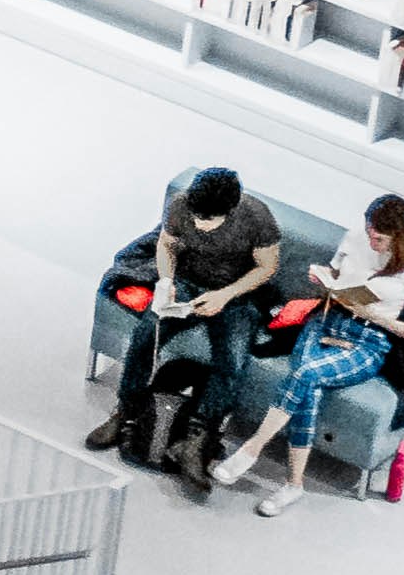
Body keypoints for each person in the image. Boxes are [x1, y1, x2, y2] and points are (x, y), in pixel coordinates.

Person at [216, 199, 404, 517]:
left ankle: (252, 447)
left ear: (398, 236)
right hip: (326, 323)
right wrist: (324, 279)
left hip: (368, 340)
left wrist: (375, 316)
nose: (372, 242)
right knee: (310, 389)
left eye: (380, 239)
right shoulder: (356, 237)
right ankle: (293, 484)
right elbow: (335, 275)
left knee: (305, 373)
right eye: (370, 233)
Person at [89, 161, 283, 478]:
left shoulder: (256, 217)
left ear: (231, 209)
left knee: (233, 359)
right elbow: (166, 244)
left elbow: (267, 267)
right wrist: (166, 282)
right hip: (188, 282)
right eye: (197, 216)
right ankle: (126, 410)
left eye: (209, 219)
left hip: (235, 295)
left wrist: (226, 295)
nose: (200, 223)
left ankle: (199, 436)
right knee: (145, 335)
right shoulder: (181, 205)